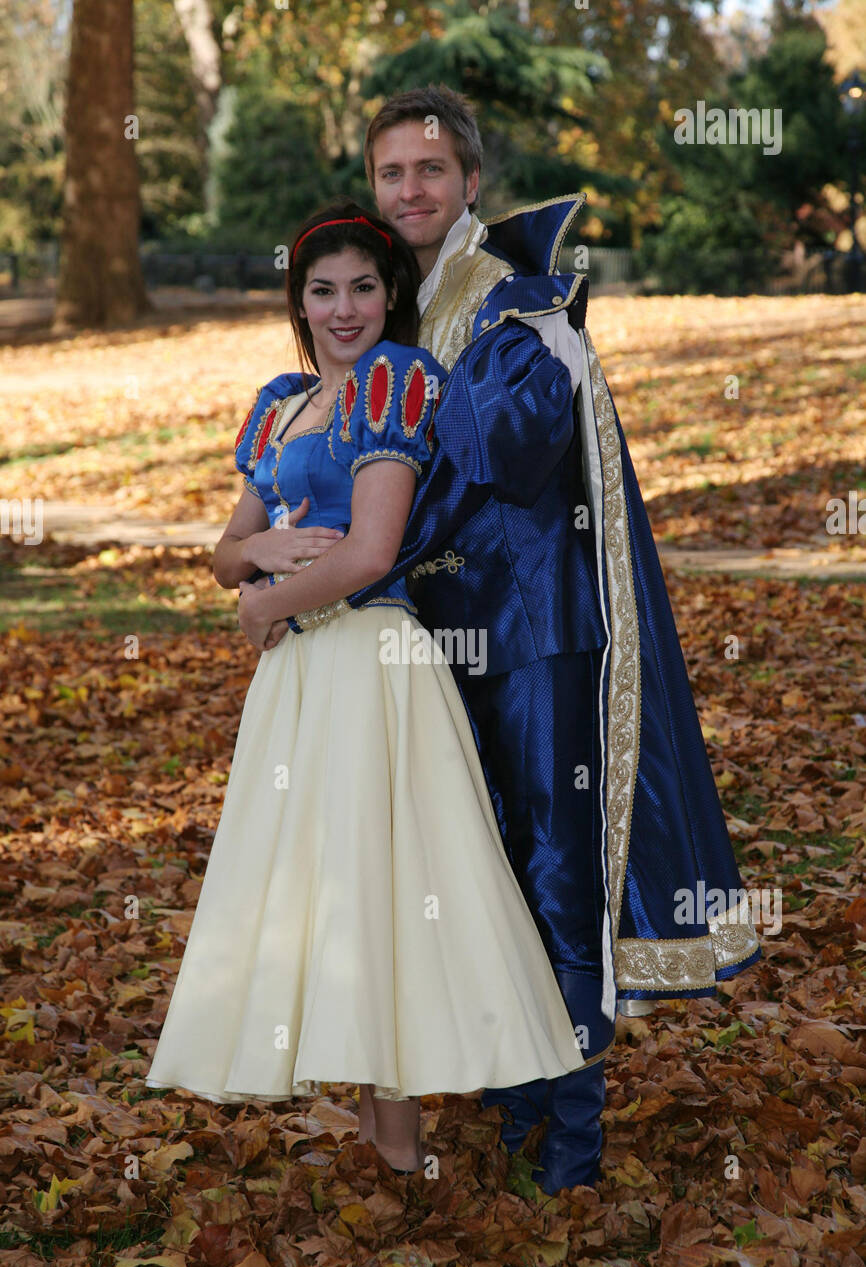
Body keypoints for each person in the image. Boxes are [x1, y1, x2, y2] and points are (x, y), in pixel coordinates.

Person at [234, 86, 763, 1196]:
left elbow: (503, 459)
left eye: (431, 170)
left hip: (530, 637)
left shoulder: (524, 307)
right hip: (424, 654)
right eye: (391, 173)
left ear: (470, 182)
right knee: (469, 877)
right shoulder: (393, 312)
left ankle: (565, 1145)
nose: (411, 189)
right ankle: (508, 1096)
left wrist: (319, 566)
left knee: (553, 873)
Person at [144, 203, 587, 1176]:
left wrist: (268, 608)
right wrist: (250, 557)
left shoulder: (395, 383)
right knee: (328, 893)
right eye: (321, 290)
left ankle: (405, 1147)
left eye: (362, 288)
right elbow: (225, 548)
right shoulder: (279, 401)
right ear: (296, 303)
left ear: (389, 296)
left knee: (384, 889)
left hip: (364, 661)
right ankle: (377, 1139)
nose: (343, 309)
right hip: (295, 683)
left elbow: (371, 550)